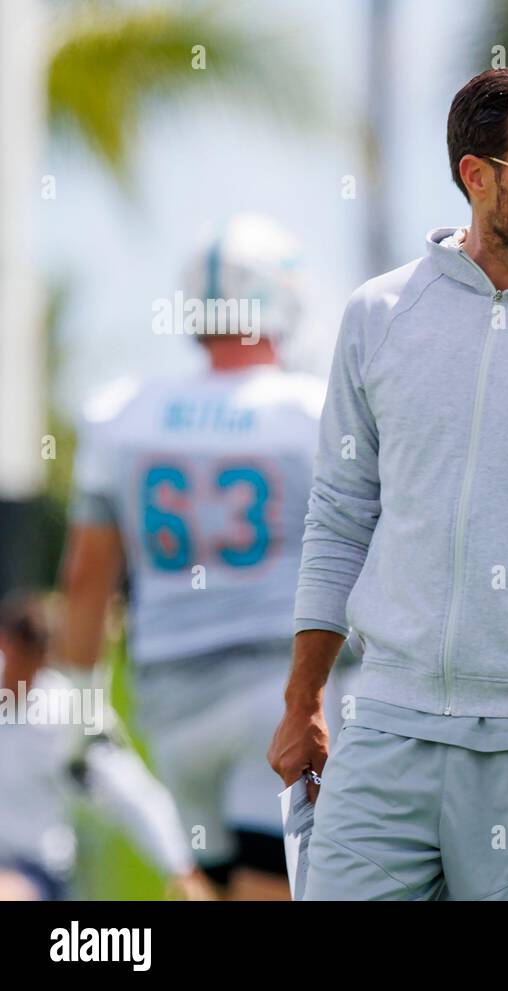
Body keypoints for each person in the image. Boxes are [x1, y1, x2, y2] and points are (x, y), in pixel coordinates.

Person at [268, 66, 508, 901]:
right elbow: (340, 515)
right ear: (475, 177)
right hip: (385, 727)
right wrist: (304, 696)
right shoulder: (379, 313)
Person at [60, 213, 326, 899]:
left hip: (169, 695)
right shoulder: (309, 412)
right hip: (277, 683)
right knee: (270, 882)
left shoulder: (126, 412)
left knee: (205, 881)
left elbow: (87, 575)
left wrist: (75, 705)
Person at [0, 591, 210, 901]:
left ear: (46, 657)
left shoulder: (67, 713)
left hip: (35, 869)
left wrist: (180, 865)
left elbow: (131, 791)